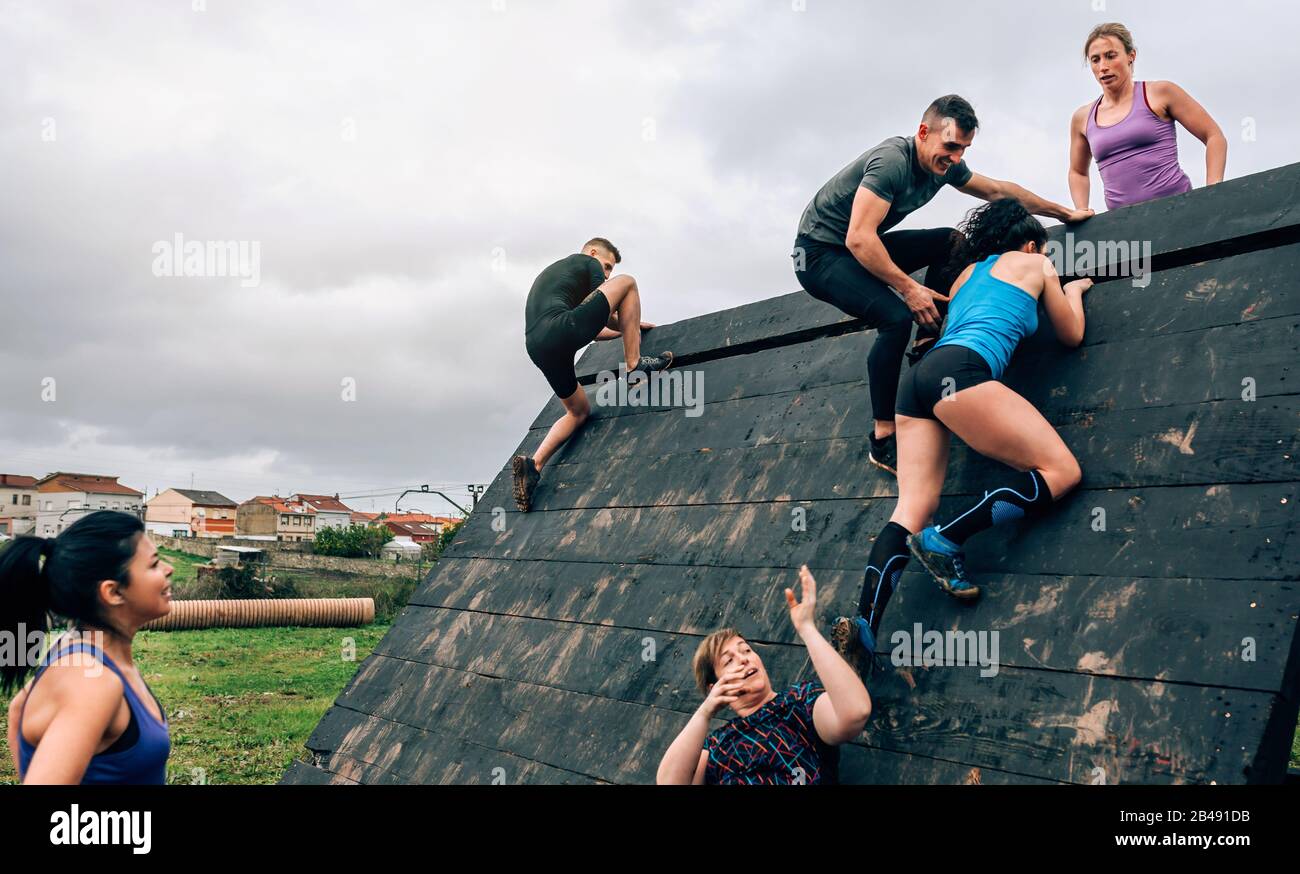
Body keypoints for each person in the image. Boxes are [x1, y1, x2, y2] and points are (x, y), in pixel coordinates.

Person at [831, 198, 1093, 667]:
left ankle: (866, 622)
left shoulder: (965, 276)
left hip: (919, 381)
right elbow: (1070, 334)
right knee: (1062, 471)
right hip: (963, 370)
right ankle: (946, 539)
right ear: (1032, 242)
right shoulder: (1035, 262)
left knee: (911, 507)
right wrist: (1073, 294)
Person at [794, 95, 1092, 477]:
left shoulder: (944, 167)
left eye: (963, 150)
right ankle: (883, 436)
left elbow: (1000, 191)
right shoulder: (891, 164)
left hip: (856, 248)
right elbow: (858, 239)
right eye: (950, 147)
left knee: (951, 241)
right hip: (821, 256)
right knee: (895, 317)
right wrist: (910, 288)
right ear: (923, 132)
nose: (954, 158)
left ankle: (925, 343)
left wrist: (1063, 212)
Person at [656, 566, 871, 785]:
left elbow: (855, 713)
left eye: (746, 649)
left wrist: (806, 628)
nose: (743, 658)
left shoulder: (799, 702)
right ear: (715, 687)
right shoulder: (716, 747)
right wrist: (705, 712)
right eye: (729, 660)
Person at [2, 510, 173, 784]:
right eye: (153, 565)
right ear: (113, 592)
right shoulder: (92, 682)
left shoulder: (81, 649)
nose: (168, 569)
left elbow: (18, 710)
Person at [513, 237, 672, 511]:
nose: (607, 273)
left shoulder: (562, 280)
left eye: (609, 269)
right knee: (629, 282)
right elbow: (609, 307)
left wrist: (629, 328)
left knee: (578, 412)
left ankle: (533, 465)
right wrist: (628, 322)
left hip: (539, 345)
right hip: (560, 329)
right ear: (593, 252)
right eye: (607, 265)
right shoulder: (587, 262)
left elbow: (594, 329)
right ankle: (635, 364)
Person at [1069, 22, 1226, 211]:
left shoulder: (1160, 92)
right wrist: (1081, 209)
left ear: (1131, 56)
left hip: (1178, 210)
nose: (1103, 66)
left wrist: (1213, 189)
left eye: (1110, 56)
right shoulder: (1082, 118)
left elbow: (1214, 136)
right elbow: (1078, 172)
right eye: (1095, 60)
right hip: (1124, 225)